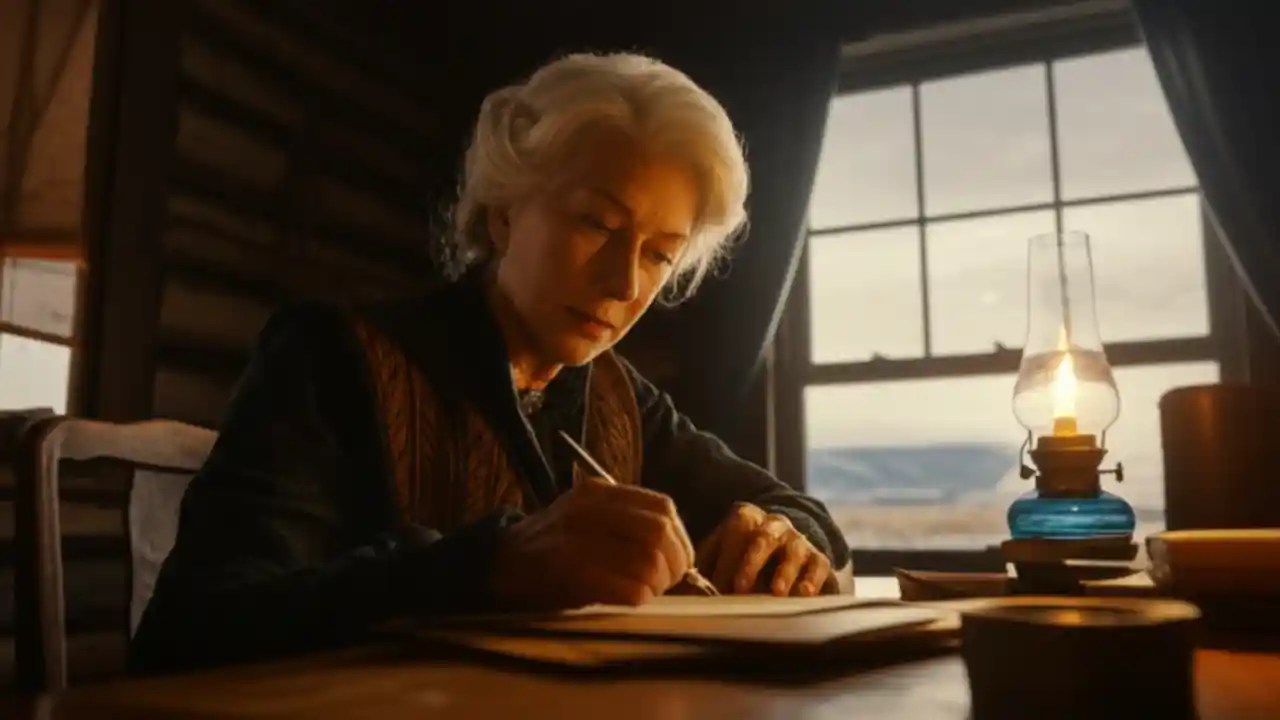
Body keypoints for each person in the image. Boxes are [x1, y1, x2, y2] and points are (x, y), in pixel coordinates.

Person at [129, 52, 850, 674]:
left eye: (660, 253)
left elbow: (799, 510)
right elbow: (189, 632)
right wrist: (488, 565)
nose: (624, 284)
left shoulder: (620, 399)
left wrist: (787, 538)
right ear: (504, 212)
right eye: (595, 222)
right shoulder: (331, 356)